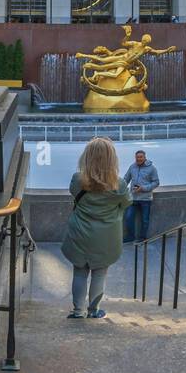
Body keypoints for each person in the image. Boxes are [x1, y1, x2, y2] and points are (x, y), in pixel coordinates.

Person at [61, 137, 131, 320]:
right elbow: (127, 203)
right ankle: (94, 310)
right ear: (112, 159)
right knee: (100, 273)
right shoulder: (119, 184)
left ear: (87, 157)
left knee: (79, 271)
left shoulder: (78, 179)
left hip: (81, 232)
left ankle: (77, 311)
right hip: (106, 236)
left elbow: (73, 193)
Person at [122, 148, 160, 243]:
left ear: (144, 157)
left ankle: (143, 238)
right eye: (137, 157)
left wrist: (143, 188)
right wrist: (120, 188)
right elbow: (126, 179)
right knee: (128, 217)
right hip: (133, 198)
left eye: (141, 157)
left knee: (145, 220)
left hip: (145, 199)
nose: (139, 159)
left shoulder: (152, 168)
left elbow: (156, 182)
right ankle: (131, 236)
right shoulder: (132, 167)